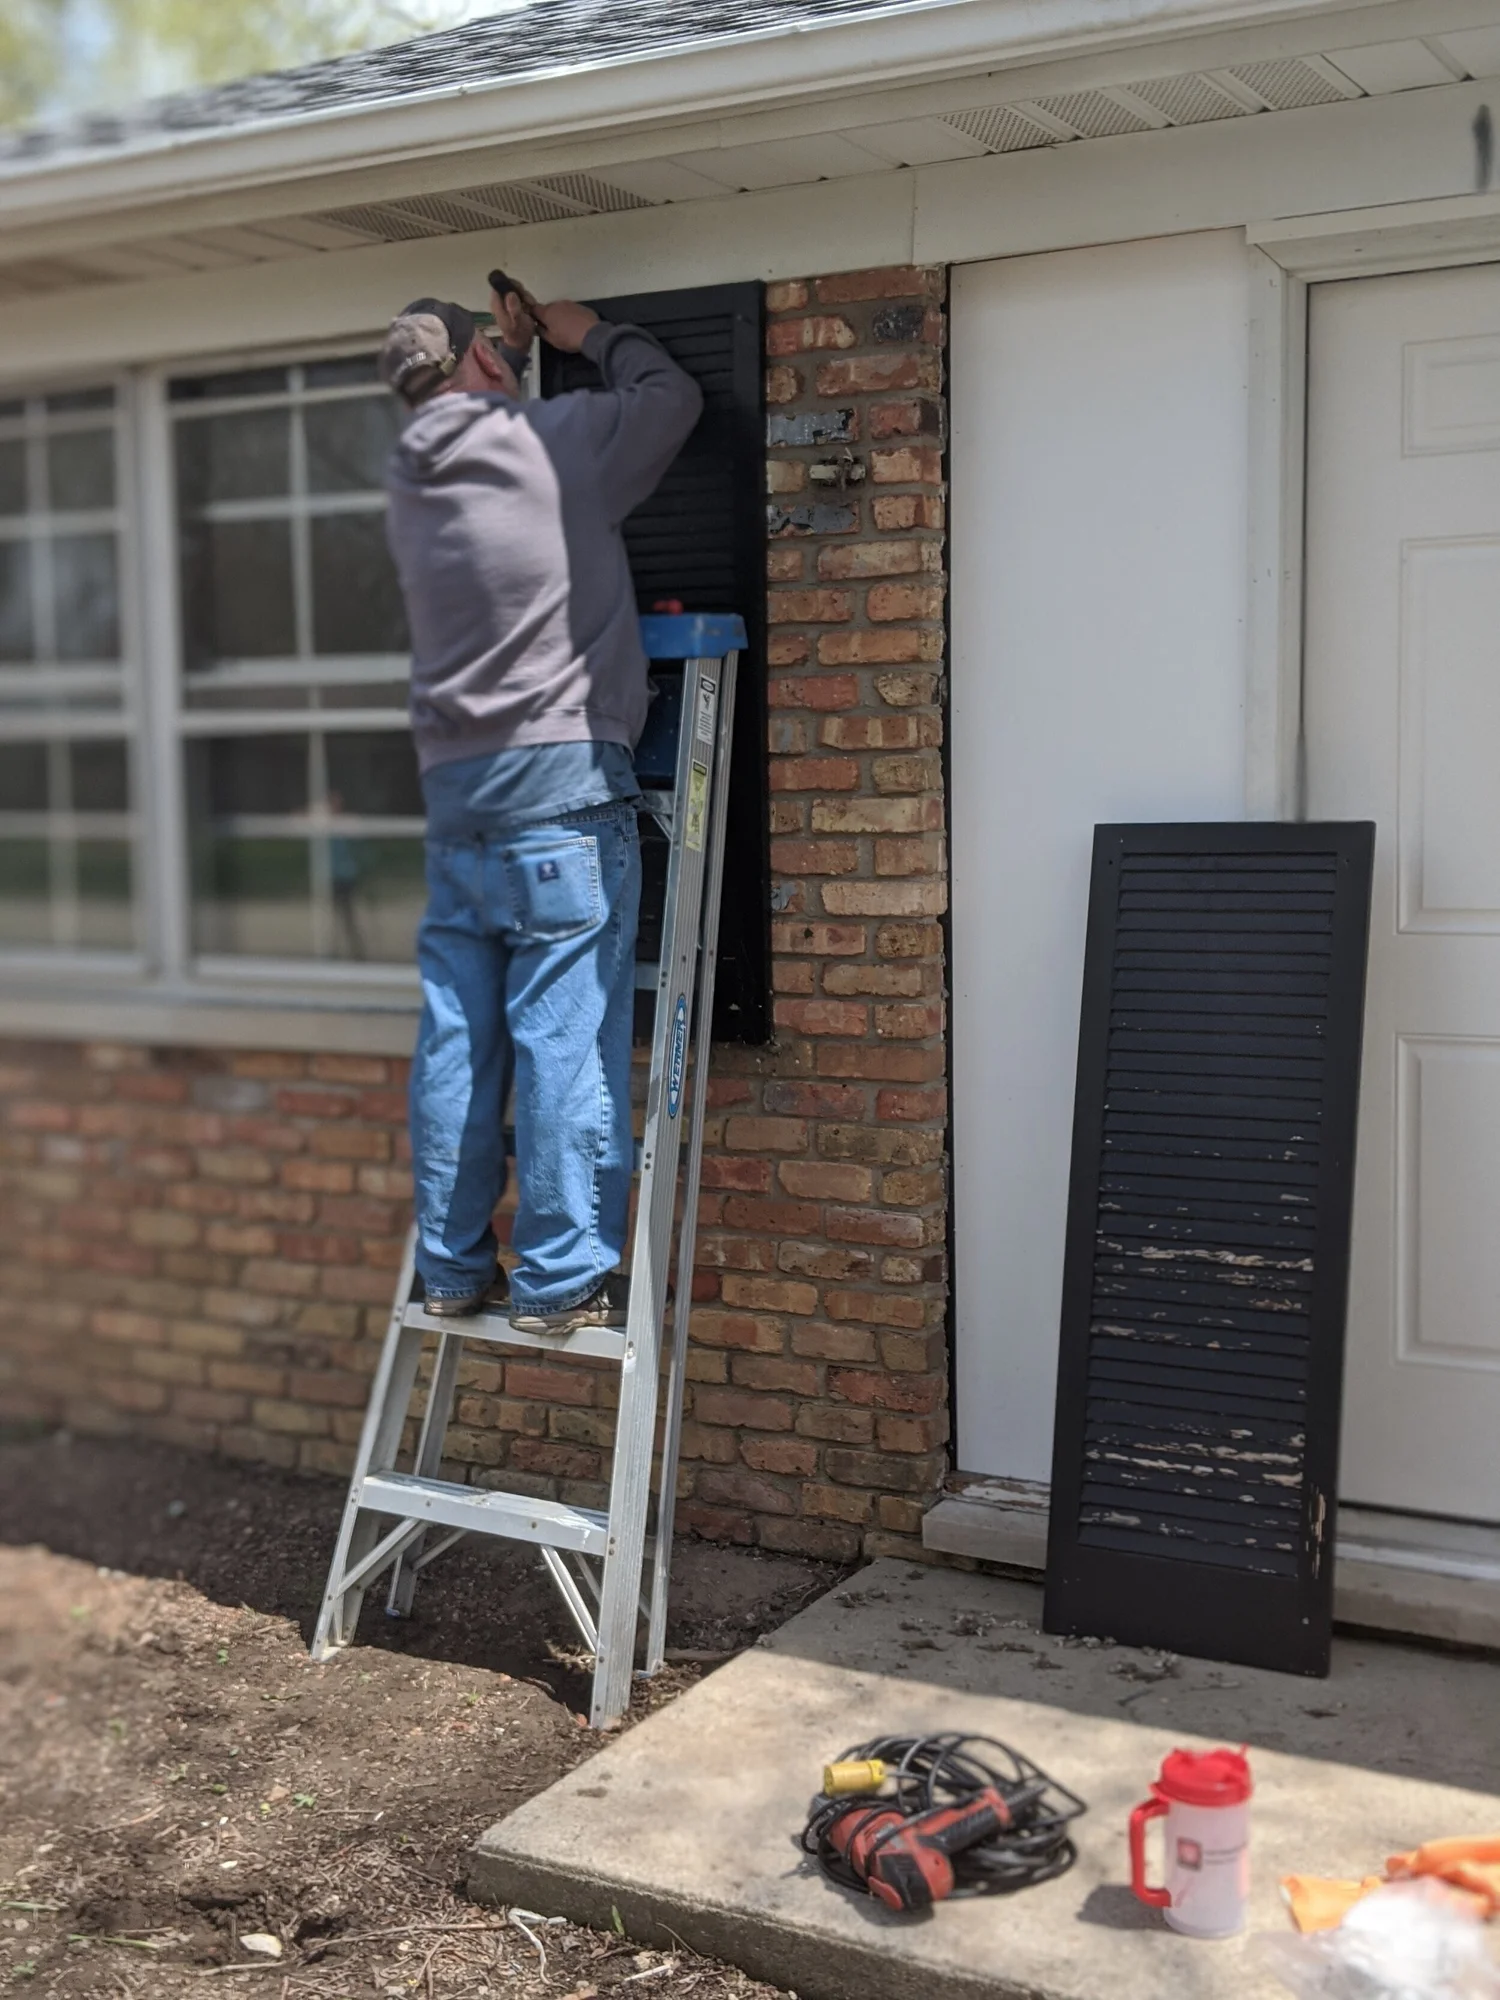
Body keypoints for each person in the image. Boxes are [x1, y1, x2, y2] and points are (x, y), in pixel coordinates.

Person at [379, 275, 702, 1334]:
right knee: (564, 1040)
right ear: (482, 362)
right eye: (497, 350)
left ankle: (453, 1265)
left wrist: (504, 352)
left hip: (457, 800)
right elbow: (672, 401)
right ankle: (560, 1279)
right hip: (560, 793)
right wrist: (583, 333)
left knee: (459, 1041)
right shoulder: (546, 444)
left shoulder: (408, 477)